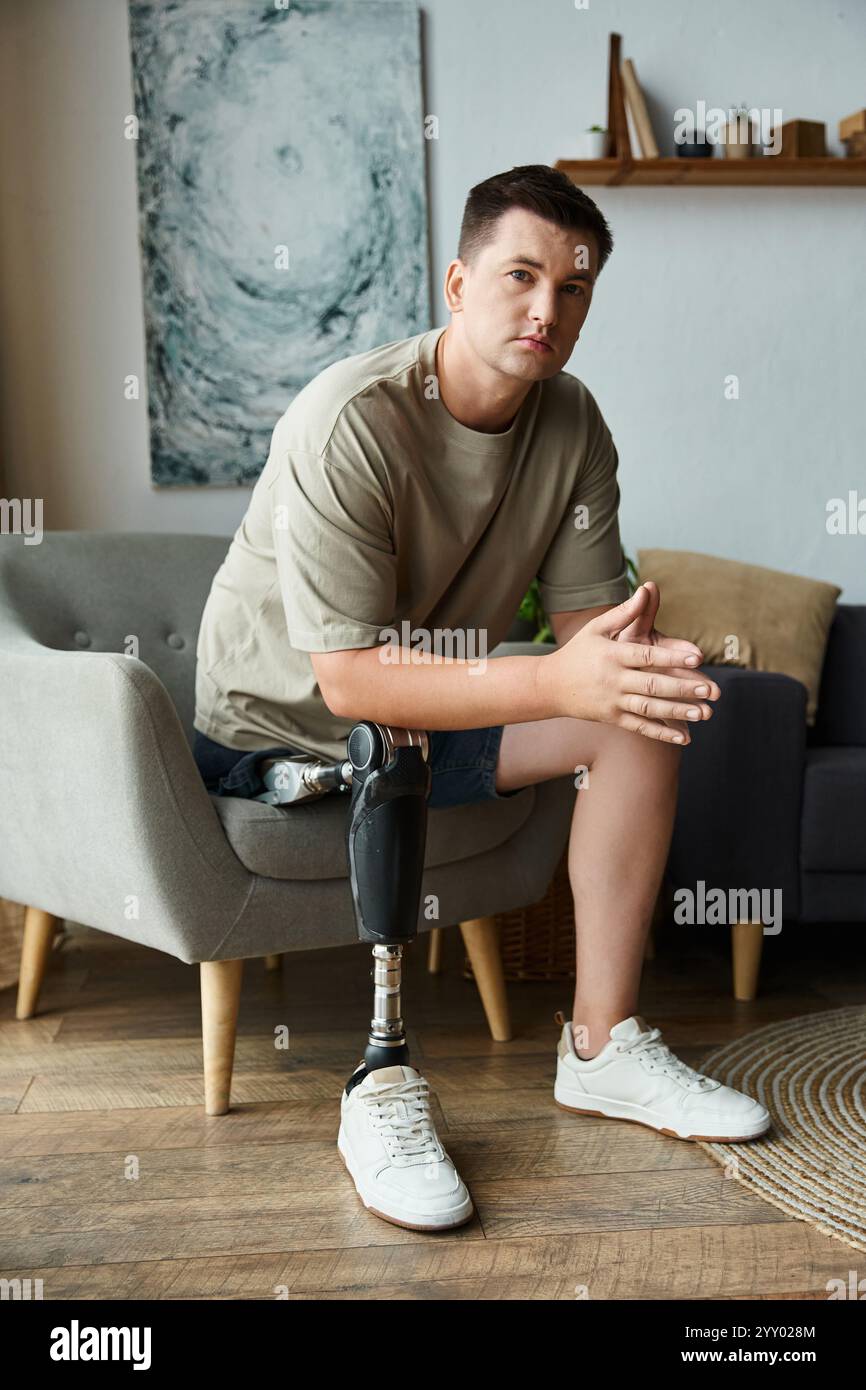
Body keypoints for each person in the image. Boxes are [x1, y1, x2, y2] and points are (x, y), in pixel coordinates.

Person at [193, 164, 770, 1232]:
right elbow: (349, 677)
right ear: (457, 284)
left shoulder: (573, 425)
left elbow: (599, 637)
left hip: (432, 700)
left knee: (636, 709)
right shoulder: (349, 420)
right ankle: (379, 1081)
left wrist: (634, 660)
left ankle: (601, 1046)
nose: (546, 309)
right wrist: (553, 674)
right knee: (397, 725)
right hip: (277, 726)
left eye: (574, 288)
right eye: (519, 276)